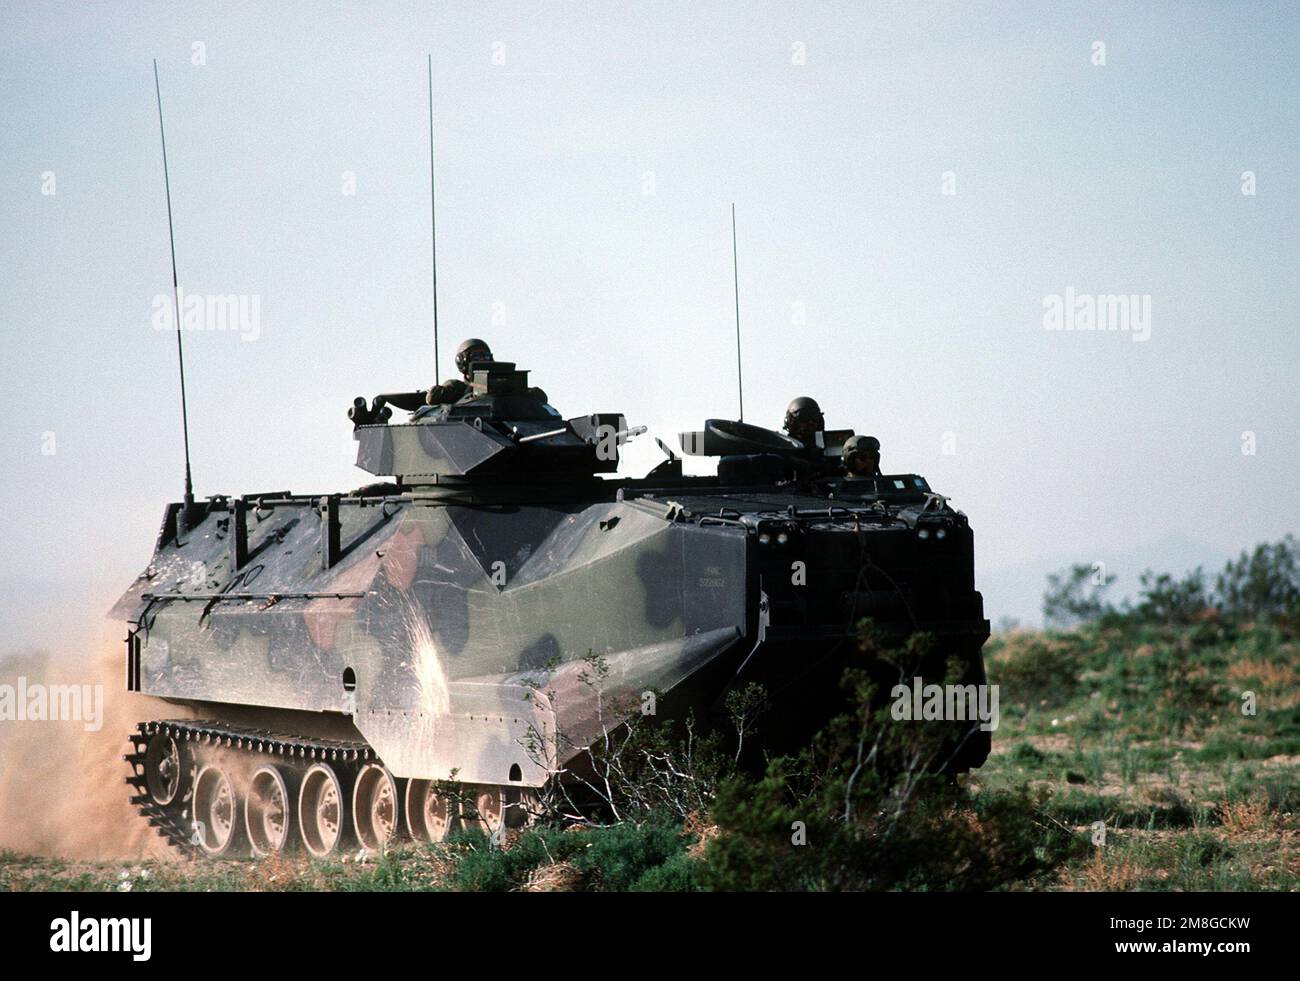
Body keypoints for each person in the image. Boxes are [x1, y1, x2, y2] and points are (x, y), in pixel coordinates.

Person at [426, 338, 494, 406]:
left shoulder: (498, 386)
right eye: (476, 356)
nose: (482, 360)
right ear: (462, 361)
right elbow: (432, 398)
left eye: (486, 356)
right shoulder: (457, 387)